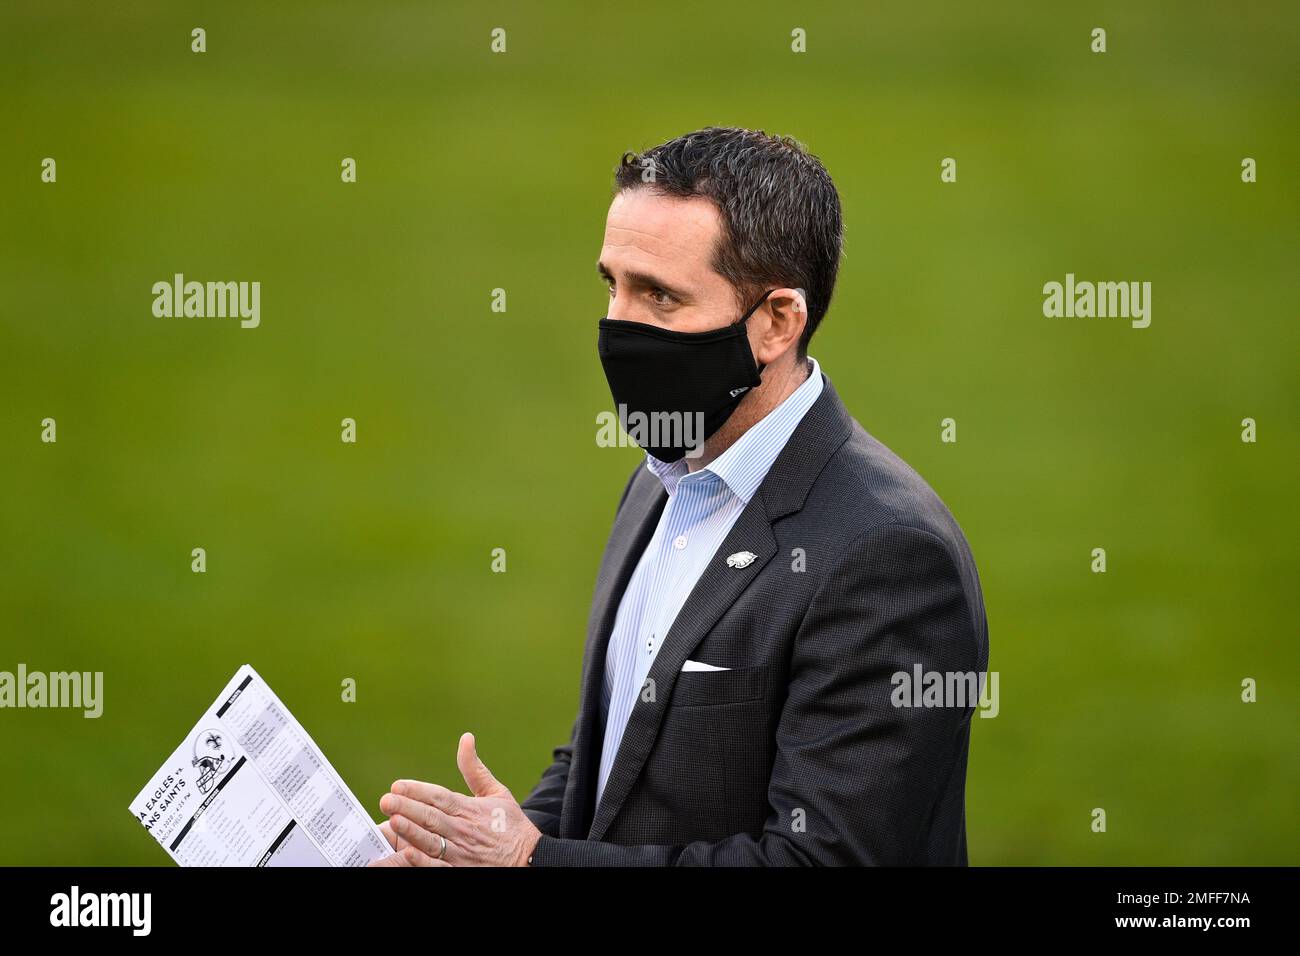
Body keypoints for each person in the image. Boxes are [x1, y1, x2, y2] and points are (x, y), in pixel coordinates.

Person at [372, 127, 988, 867]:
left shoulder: (886, 555)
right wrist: (468, 846)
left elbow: (820, 859)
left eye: (659, 296)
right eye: (613, 284)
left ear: (776, 323)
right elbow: (613, 753)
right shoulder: (661, 481)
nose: (618, 328)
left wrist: (532, 863)